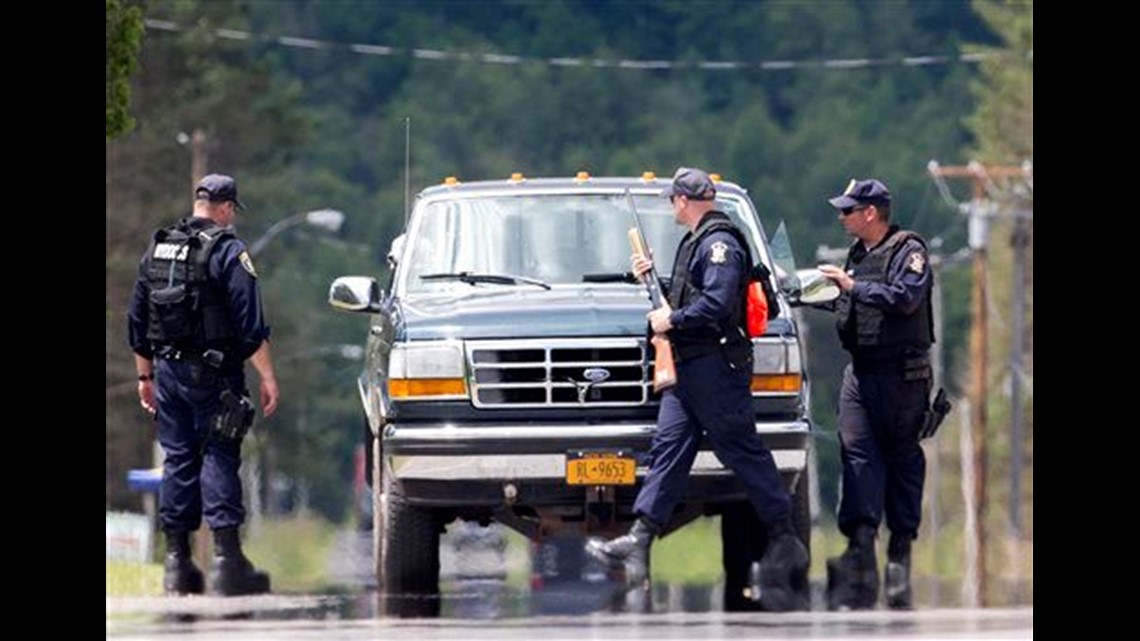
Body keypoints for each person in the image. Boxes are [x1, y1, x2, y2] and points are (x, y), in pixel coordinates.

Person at [585, 167, 808, 612]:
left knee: (740, 449)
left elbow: (718, 304)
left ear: (684, 201)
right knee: (667, 450)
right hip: (691, 369)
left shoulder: (719, 242)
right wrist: (653, 282)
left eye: (673, 200)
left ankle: (785, 538)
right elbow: (692, 295)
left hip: (715, 367)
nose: (672, 207)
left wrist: (672, 321)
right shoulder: (698, 241)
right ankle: (640, 537)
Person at [127, 173, 280, 596]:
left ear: (198, 204)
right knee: (218, 453)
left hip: (167, 373)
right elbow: (251, 326)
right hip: (214, 374)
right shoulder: (228, 251)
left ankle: (176, 565)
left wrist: (145, 377)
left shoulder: (157, 247)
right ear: (227, 208)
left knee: (177, 459)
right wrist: (267, 376)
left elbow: (137, 322)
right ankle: (227, 563)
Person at [817, 178, 935, 610]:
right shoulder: (857, 254)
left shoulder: (910, 251)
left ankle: (899, 560)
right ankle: (861, 556)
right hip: (860, 372)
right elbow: (853, 304)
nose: (841, 217)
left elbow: (904, 299)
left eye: (848, 210)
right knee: (857, 456)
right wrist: (817, 294)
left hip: (902, 375)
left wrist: (851, 288)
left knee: (901, 458)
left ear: (871, 213)